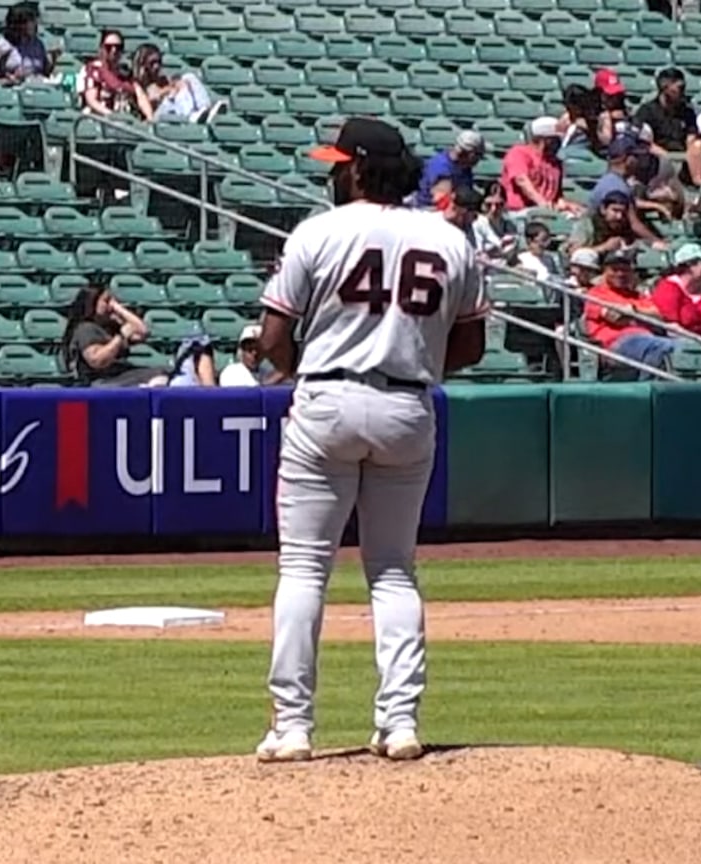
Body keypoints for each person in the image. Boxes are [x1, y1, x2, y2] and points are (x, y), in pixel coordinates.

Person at [253, 116, 488, 764]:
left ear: (357, 167)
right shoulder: (449, 237)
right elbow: (470, 343)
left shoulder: (319, 232)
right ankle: (401, 721)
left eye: (336, 162)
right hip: (408, 403)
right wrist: (408, 353)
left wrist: (318, 365)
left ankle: (294, 727)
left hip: (327, 396)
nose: (330, 170)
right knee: (392, 569)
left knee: (304, 567)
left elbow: (274, 340)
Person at [583, 248, 674, 374]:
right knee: (660, 347)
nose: (620, 274)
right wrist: (643, 317)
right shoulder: (595, 293)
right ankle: (646, 388)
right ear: (605, 271)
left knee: (682, 347)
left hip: (647, 339)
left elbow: (659, 315)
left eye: (625, 270)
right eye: (615, 270)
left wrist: (633, 311)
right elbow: (615, 317)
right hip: (616, 344)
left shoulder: (637, 295)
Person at [60, 284, 169, 387]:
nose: (111, 305)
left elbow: (143, 332)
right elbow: (97, 361)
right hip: (101, 381)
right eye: (106, 301)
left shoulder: (111, 326)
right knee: (158, 376)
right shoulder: (85, 329)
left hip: (121, 375)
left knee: (166, 372)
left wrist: (119, 308)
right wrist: (120, 337)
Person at [632, 67, 701, 186]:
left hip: (683, 156)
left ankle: (697, 182)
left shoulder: (687, 112)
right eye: (679, 88)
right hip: (657, 157)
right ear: (665, 87)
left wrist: (686, 155)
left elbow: (691, 136)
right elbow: (643, 140)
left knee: (698, 145)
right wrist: (667, 156)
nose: (682, 92)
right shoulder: (647, 111)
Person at [651, 243, 701, 346]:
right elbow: (671, 328)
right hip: (679, 344)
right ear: (689, 266)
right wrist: (697, 342)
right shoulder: (668, 288)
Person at [500, 116, 578, 214]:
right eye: (555, 140)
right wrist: (541, 203)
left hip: (546, 213)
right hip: (520, 212)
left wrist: (567, 205)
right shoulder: (519, 153)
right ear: (543, 139)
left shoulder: (555, 163)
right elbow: (521, 180)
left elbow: (556, 196)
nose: (559, 143)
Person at [130, 42, 224, 124]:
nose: (157, 66)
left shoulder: (163, 80)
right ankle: (192, 115)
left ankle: (205, 109)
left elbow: (178, 85)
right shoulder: (139, 83)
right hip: (159, 117)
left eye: (159, 62)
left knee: (189, 77)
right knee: (176, 92)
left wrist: (173, 88)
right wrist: (169, 90)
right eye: (152, 63)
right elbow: (152, 99)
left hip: (172, 111)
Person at [77, 29, 148, 118]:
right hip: (100, 120)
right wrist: (112, 116)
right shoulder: (93, 70)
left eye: (118, 47)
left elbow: (141, 96)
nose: (114, 51)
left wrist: (150, 119)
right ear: (101, 49)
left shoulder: (126, 73)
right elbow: (91, 100)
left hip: (126, 120)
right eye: (108, 47)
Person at [416, 130, 485, 208]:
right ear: (469, 154)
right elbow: (442, 203)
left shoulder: (464, 166)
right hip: (430, 213)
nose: (480, 158)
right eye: (479, 154)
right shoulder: (442, 168)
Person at [0, 3, 57, 81]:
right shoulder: (6, 44)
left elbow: (45, 72)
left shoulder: (38, 44)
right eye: (30, 21)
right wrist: (10, 76)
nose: (34, 25)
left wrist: (54, 58)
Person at [220, 324, 284, 386]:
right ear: (242, 351)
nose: (254, 354)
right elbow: (246, 395)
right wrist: (274, 379)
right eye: (250, 349)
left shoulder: (268, 370)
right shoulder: (231, 372)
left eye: (258, 349)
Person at [469, 182, 516, 260]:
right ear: (483, 205)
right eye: (489, 205)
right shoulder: (477, 225)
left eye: (499, 205)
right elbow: (478, 253)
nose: (493, 209)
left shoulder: (510, 225)